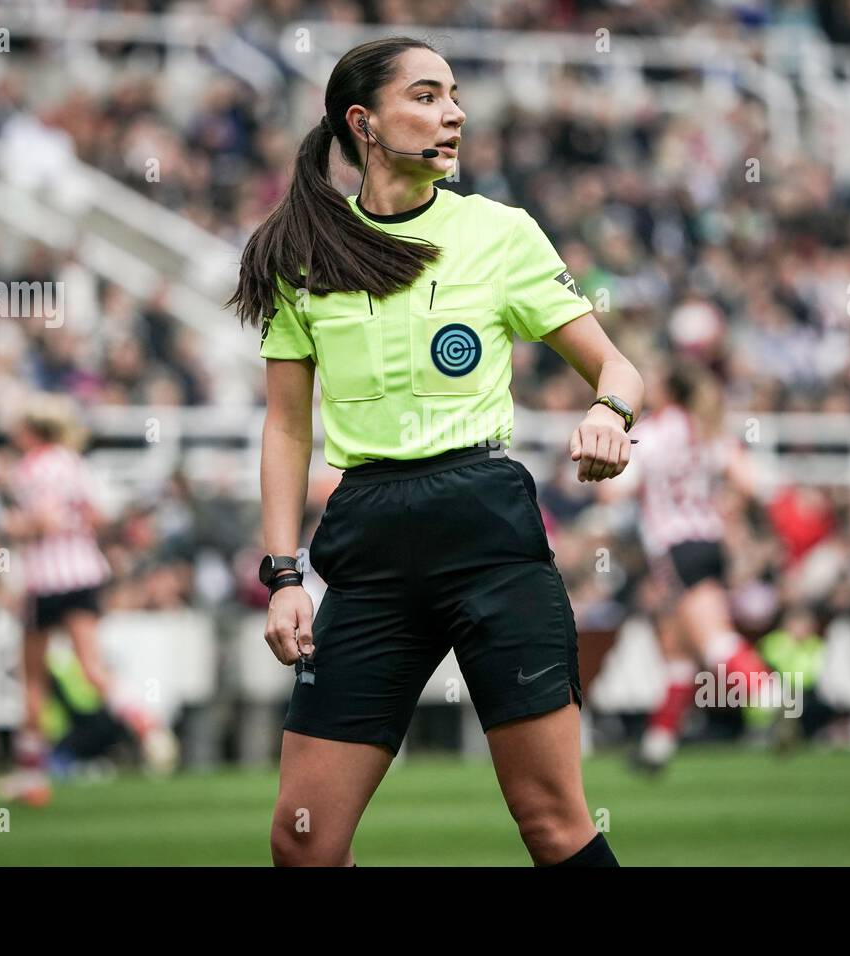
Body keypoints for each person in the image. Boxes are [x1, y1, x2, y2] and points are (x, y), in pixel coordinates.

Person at [232, 37, 644, 867]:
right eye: (425, 96)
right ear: (365, 123)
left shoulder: (500, 232)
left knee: (553, 823)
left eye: (454, 95)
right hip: (368, 544)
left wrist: (610, 413)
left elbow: (619, 367)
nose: (453, 111)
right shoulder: (300, 254)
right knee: (301, 842)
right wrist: (283, 575)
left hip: (488, 532)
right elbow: (286, 427)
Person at [0, 394, 177, 807]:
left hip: (45, 579)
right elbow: (98, 516)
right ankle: (146, 724)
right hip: (84, 573)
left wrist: (8, 525)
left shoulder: (30, 469)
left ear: (32, 430)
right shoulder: (76, 464)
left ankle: (30, 775)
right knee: (92, 667)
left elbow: (41, 522)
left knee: (34, 678)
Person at [623, 357, 772, 773]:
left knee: (712, 639)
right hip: (708, 540)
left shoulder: (652, 432)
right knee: (677, 645)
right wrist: (727, 509)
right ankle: (657, 746)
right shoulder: (706, 428)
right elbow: (750, 481)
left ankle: (769, 697)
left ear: (668, 389)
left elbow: (615, 488)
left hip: (674, 546)